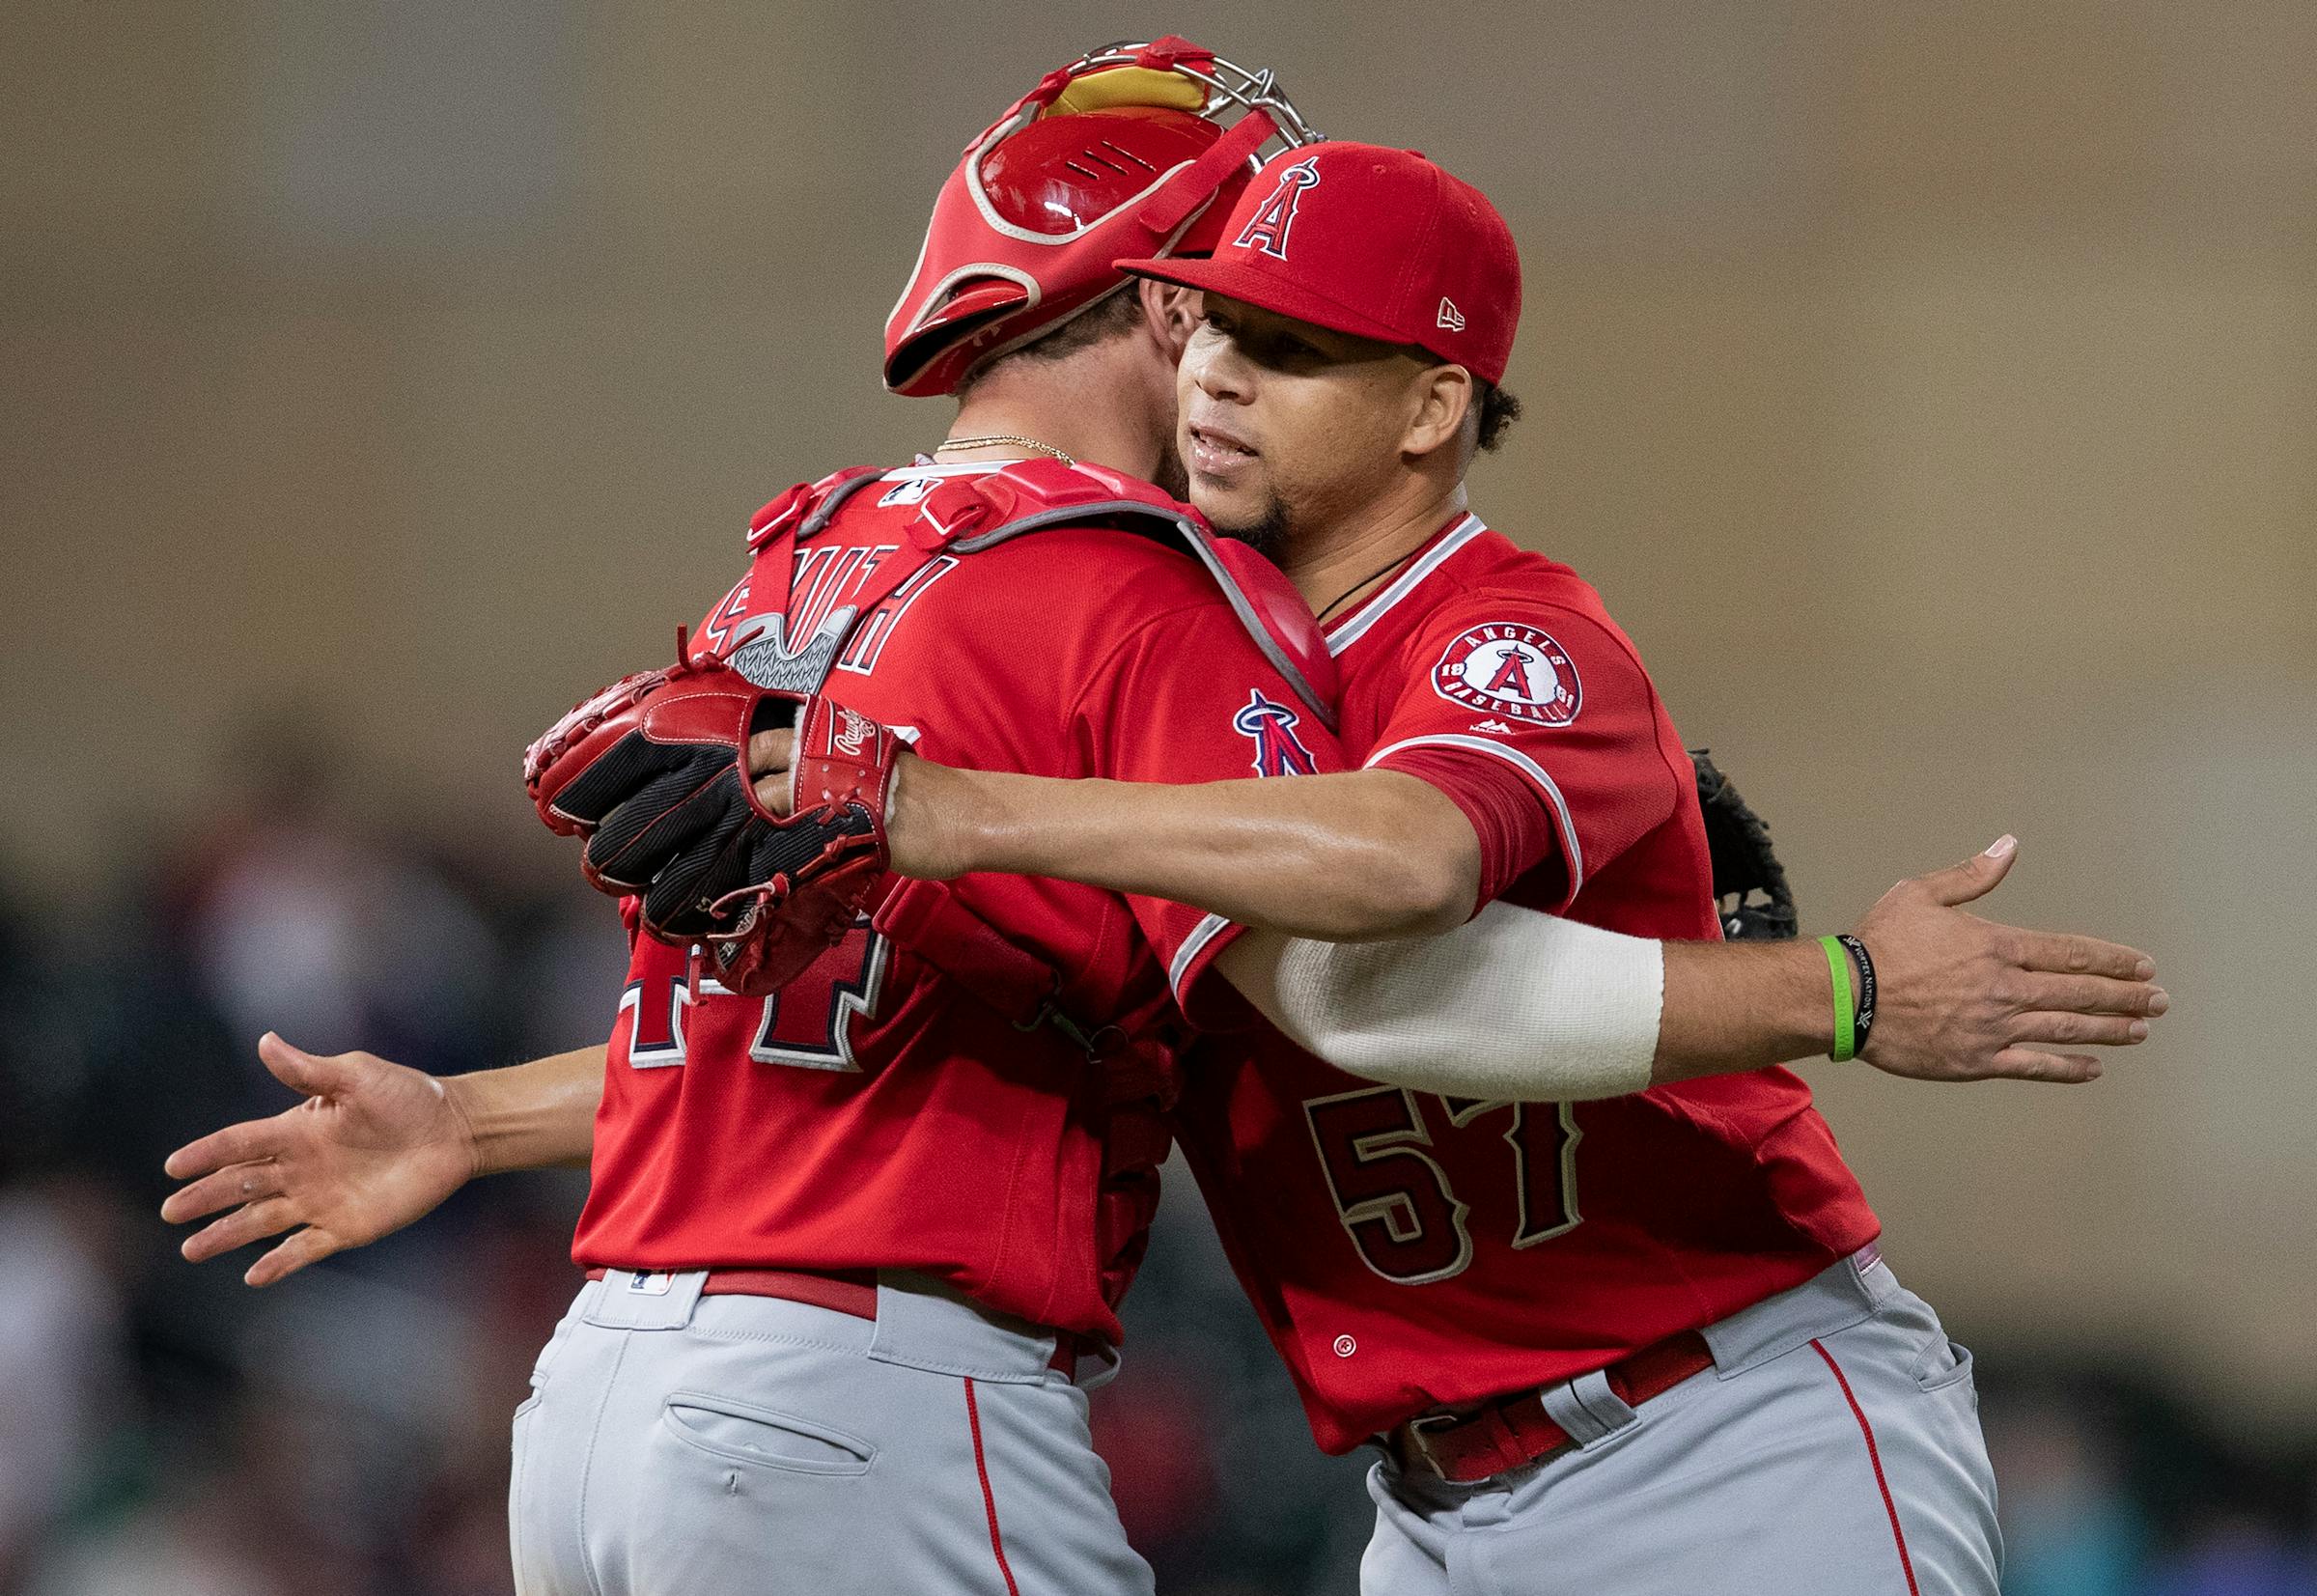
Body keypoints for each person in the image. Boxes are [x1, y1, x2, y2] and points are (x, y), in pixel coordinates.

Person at [164, 70, 2161, 1596]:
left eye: (1285, 350)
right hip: (1433, 1502)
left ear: (1429, 405)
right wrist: (480, 1120)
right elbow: (885, 1019)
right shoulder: (1170, 653)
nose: (1215, 377)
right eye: (1203, 323)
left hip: (1721, 1435)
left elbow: (1395, 935)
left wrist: (1849, 988)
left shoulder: (1495, 635)